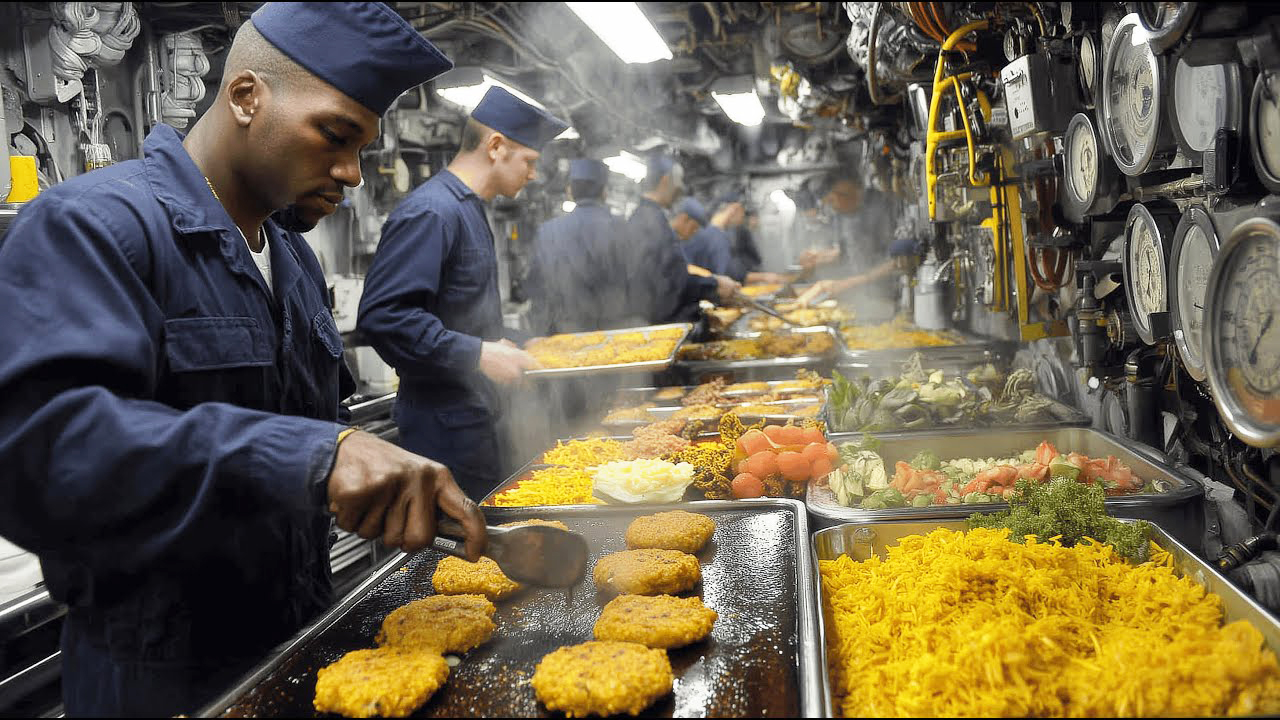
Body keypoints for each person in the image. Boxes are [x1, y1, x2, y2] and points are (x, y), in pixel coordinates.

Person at [0, 3, 487, 716]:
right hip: (161, 681)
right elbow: (38, 456)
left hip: (301, 652)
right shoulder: (94, 228)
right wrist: (313, 458)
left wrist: (355, 479)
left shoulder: (289, 259)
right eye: (335, 134)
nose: (352, 172)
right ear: (246, 97)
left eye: (363, 149)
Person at [358, 86, 569, 501]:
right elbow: (385, 317)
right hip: (442, 431)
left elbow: (463, 317)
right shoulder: (432, 211)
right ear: (496, 146)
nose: (533, 175)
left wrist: (515, 343)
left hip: (475, 419)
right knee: (461, 557)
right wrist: (480, 354)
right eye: (529, 161)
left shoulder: (469, 209)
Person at [524, 158, 632, 334]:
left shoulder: (548, 232)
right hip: (617, 335)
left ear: (570, 191)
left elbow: (536, 286)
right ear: (605, 192)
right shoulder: (623, 228)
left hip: (567, 336)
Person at [626, 155, 737, 323]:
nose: (681, 188)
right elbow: (671, 281)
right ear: (665, 181)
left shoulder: (648, 217)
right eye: (678, 181)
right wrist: (713, 285)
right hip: (662, 323)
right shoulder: (650, 221)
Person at [796, 173, 915, 315]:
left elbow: (898, 260)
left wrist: (846, 283)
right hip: (862, 296)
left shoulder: (882, 208)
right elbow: (846, 251)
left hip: (892, 297)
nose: (833, 208)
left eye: (832, 201)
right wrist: (818, 258)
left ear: (844, 190)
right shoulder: (842, 215)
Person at [684, 193, 788, 285]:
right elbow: (728, 274)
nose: (743, 216)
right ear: (734, 209)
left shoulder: (710, 233)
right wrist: (765, 277)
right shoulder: (716, 237)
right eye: (742, 210)